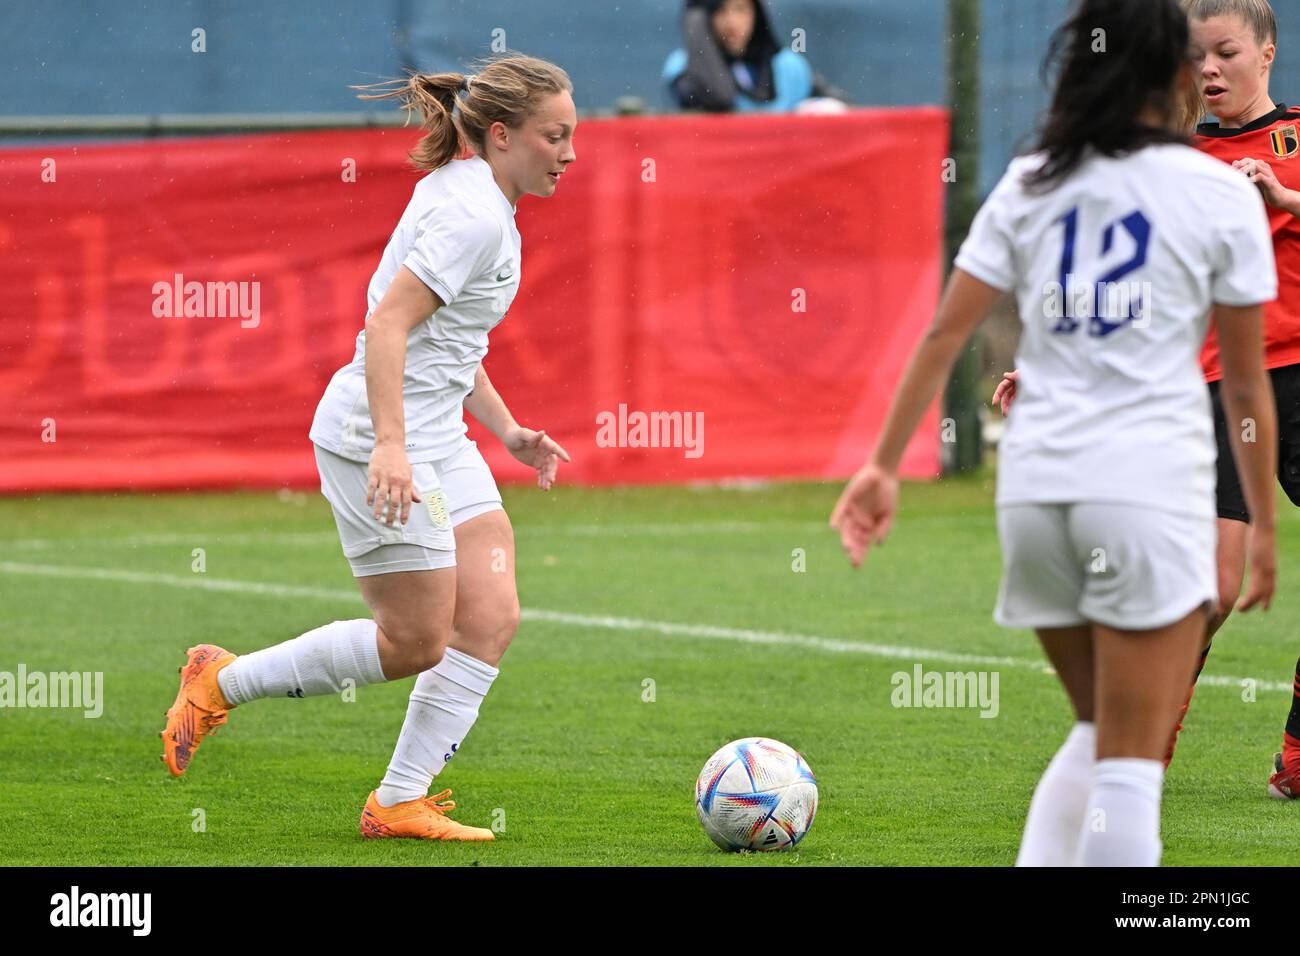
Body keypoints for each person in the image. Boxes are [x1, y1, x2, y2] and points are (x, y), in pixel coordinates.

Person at [833, 0, 1278, 866]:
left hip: (1035, 495)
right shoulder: (1218, 192)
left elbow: (943, 334)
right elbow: (1247, 384)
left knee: (1096, 730)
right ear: (1178, 74)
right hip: (1142, 492)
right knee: (1130, 768)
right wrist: (1260, 522)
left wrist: (882, 466)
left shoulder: (1037, 174)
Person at [159, 54, 578, 842]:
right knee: (416, 642)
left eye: (571, 137)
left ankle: (396, 803)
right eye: (555, 136)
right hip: (374, 438)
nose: (569, 153)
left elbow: (445, 342)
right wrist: (391, 446)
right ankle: (221, 680)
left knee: (489, 616)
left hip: (435, 433)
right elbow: (387, 325)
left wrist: (510, 431)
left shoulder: (475, 194)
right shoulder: (474, 214)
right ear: (500, 135)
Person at [997, 0, 1300, 794]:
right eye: (1196, 56)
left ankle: (1298, 757)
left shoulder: (1297, 141)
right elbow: (1115, 277)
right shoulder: (1168, 163)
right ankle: (1141, 749)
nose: (1209, 70)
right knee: (1213, 588)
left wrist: (1287, 199)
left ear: (1266, 53)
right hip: (1214, 383)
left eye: (1226, 52)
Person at [662, 0, 844, 113]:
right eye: (720, 10)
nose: (732, 22)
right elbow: (719, 98)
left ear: (757, 13)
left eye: (740, 8)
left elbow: (844, 109)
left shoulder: (788, 67)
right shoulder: (682, 68)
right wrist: (695, 22)